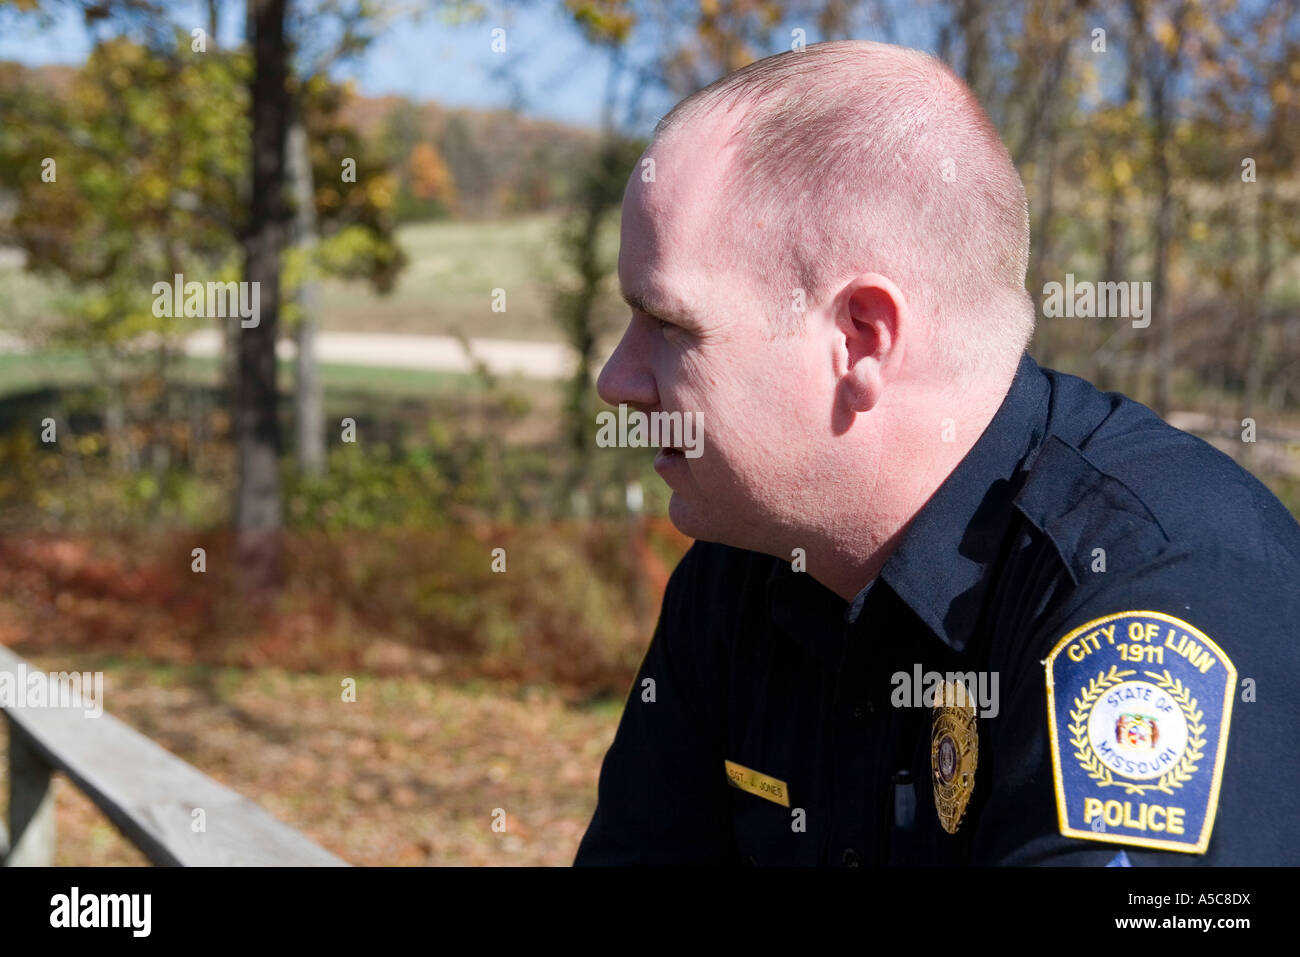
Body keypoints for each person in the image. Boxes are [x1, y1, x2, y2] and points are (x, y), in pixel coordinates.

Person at [572, 40, 1300, 866]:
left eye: (668, 324)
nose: (617, 380)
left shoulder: (1158, 592)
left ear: (861, 338)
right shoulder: (741, 575)